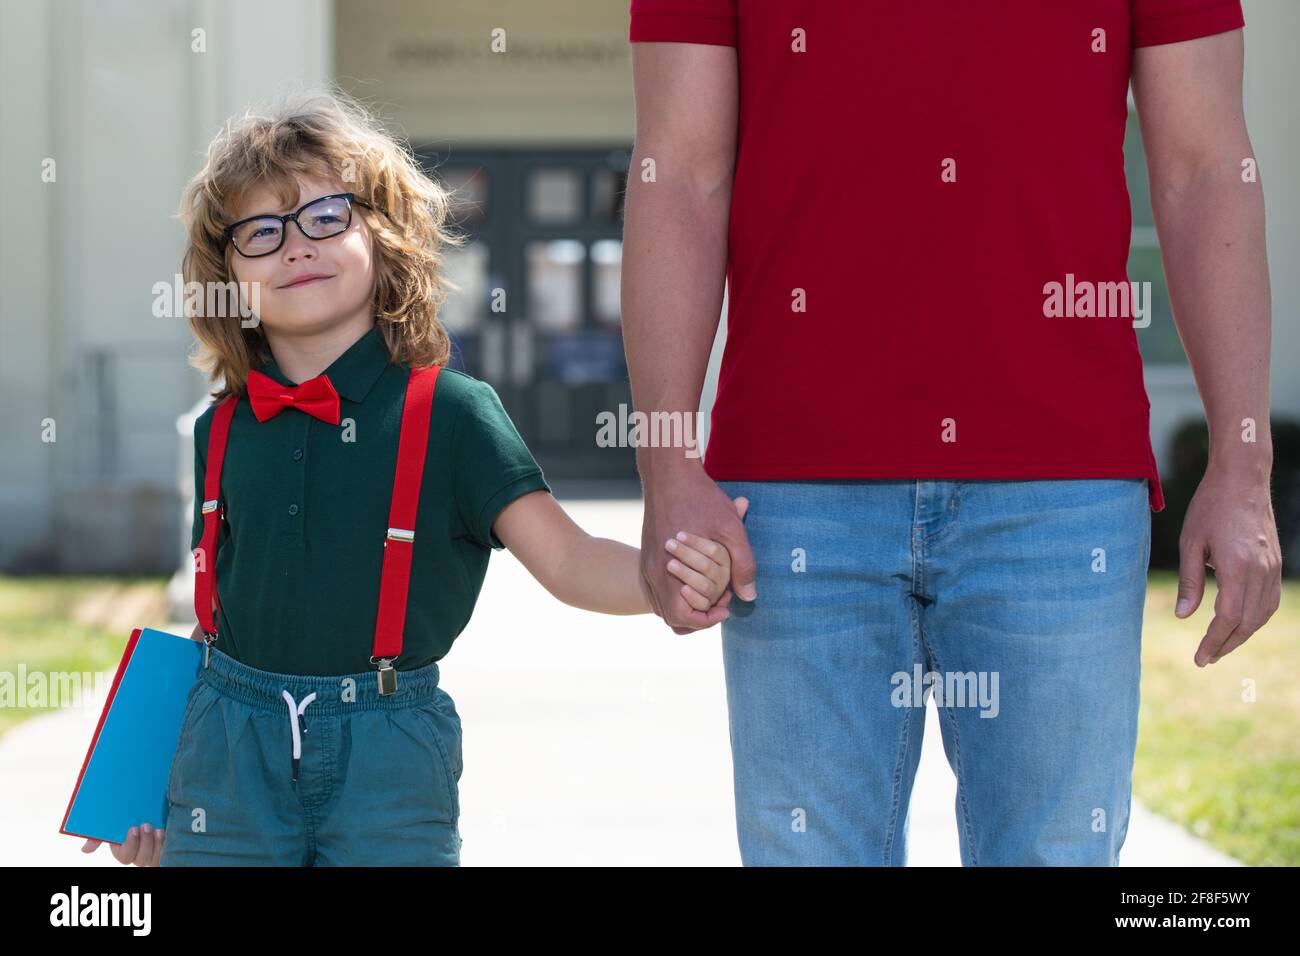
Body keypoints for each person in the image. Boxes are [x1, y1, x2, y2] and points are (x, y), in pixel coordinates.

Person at [624, 0, 1281, 865]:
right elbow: (676, 175)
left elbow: (1205, 172)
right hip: (791, 495)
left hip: (1061, 490)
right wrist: (667, 467)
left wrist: (1242, 467)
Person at [82, 88, 743, 866]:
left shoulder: (455, 415)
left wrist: (667, 577)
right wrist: (143, 780)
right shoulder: (221, 424)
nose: (296, 246)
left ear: (384, 235)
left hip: (388, 752)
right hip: (224, 753)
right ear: (225, 273)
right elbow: (215, 616)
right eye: (260, 231)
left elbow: (565, 560)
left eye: (325, 217)